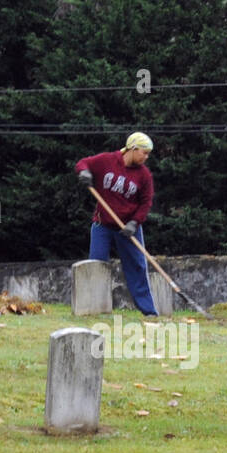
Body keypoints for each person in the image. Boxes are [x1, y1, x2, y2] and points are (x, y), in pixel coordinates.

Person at [75, 132, 157, 316]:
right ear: (133, 149)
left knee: (137, 267)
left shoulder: (144, 175)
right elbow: (83, 163)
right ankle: (93, 307)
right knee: (96, 264)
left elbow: (146, 203)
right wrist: (84, 173)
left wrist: (135, 223)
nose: (146, 157)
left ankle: (149, 311)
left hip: (129, 228)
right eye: (144, 153)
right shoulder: (107, 161)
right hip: (103, 224)